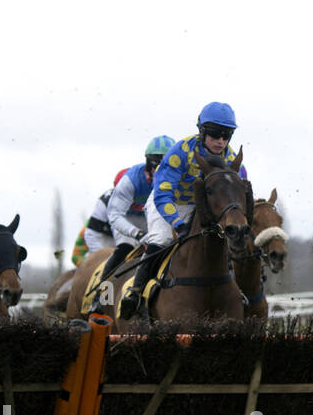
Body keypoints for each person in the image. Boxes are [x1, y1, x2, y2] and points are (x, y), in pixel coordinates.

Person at [118, 104, 240, 319]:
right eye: (214, 134)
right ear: (202, 131)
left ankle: (233, 290)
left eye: (226, 135)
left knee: (220, 239)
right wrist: (178, 223)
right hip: (166, 201)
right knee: (161, 239)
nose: (220, 141)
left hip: (199, 204)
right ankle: (135, 293)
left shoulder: (230, 158)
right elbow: (163, 193)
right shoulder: (180, 151)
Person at [97, 136, 176, 279]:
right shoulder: (130, 179)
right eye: (155, 167)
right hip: (129, 219)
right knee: (125, 248)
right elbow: (114, 215)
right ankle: (102, 294)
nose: (159, 173)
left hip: (154, 218)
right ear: (148, 164)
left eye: (166, 168)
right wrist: (137, 234)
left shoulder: (180, 179)